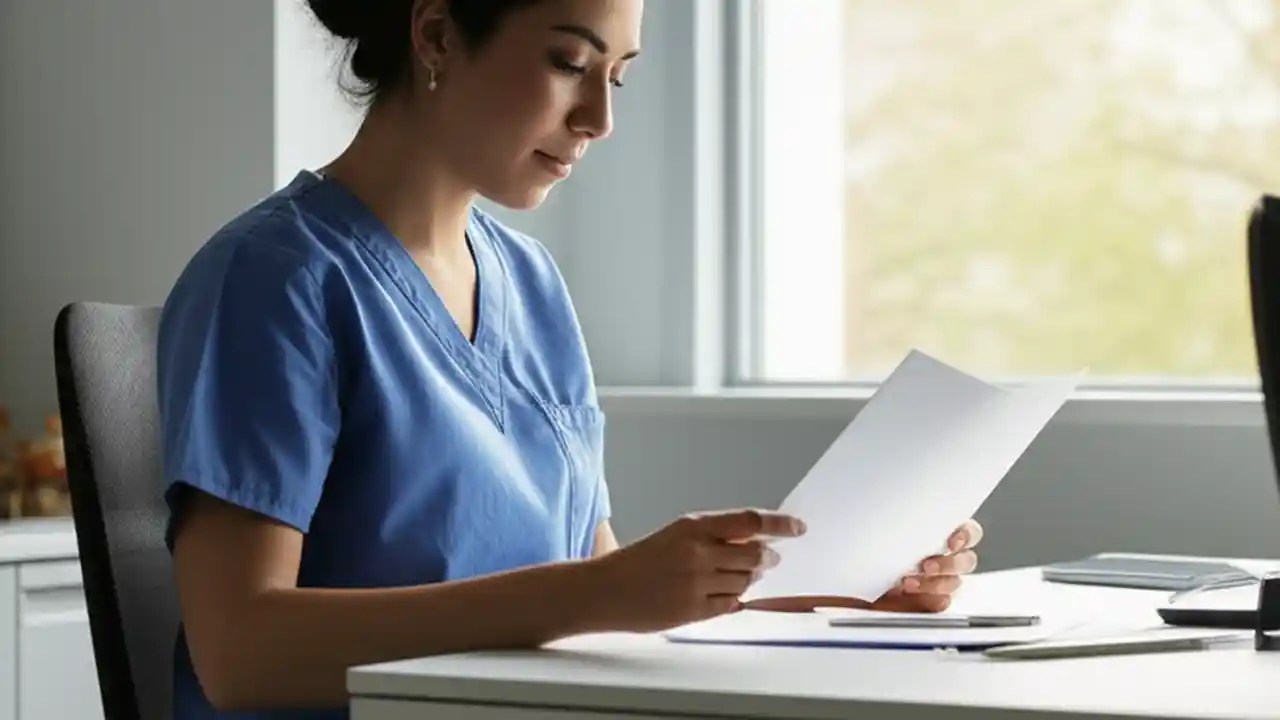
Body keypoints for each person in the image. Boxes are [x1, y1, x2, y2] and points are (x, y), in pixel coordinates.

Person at [157, 0, 984, 717]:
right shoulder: (277, 279)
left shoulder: (532, 283)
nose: (598, 117)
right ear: (438, 35)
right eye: (569, 63)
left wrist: (844, 589)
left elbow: (598, 584)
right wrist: (603, 592)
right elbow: (240, 655)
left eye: (616, 76)